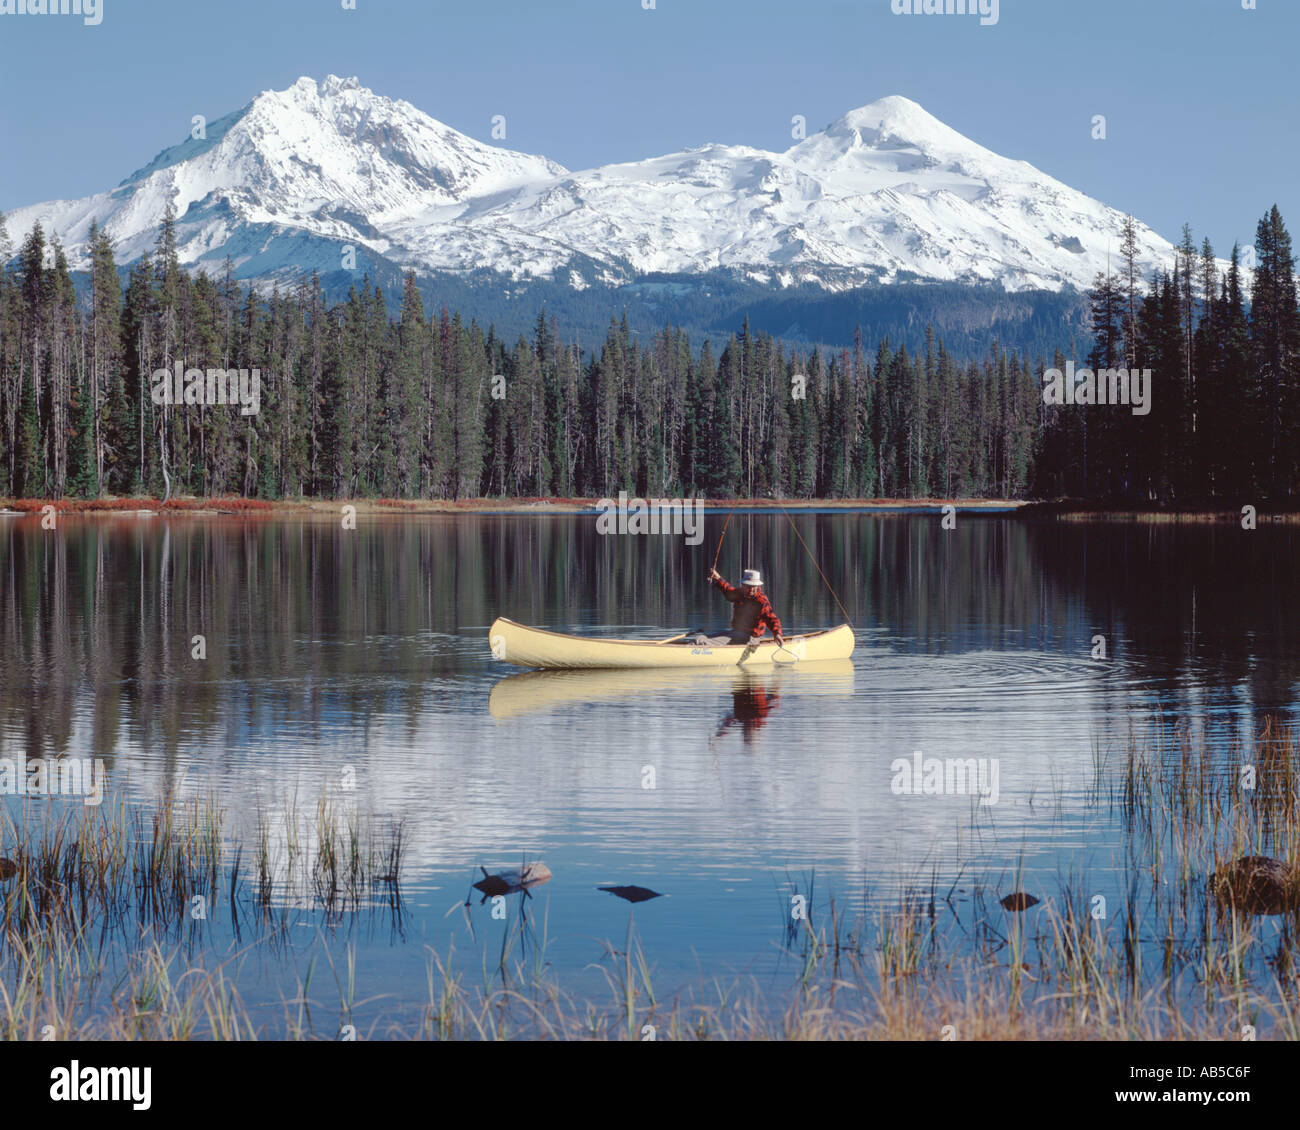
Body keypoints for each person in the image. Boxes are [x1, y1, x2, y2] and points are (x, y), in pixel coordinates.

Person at [704, 567, 784, 647]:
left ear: (757, 586)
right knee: (701, 639)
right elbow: (728, 591)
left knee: (706, 642)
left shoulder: (761, 601)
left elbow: (771, 618)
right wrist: (717, 578)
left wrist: (777, 633)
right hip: (735, 633)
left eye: (754, 586)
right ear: (743, 585)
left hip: (750, 638)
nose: (751, 589)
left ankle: (700, 651)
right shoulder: (740, 594)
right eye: (748, 586)